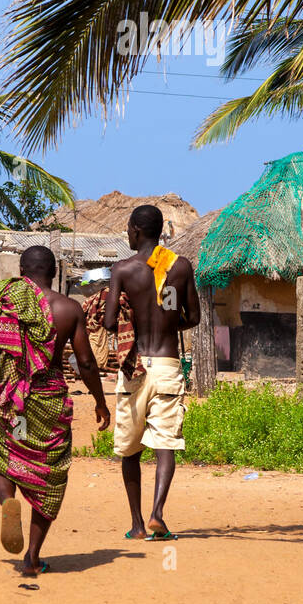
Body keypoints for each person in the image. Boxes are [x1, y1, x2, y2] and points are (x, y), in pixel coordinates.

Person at [0, 245, 110, 575]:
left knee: (5, 459)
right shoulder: (69, 308)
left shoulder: (5, 301)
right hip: (48, 400)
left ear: (22, 270)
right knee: (50, 476)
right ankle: (33, 557)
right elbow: (85, 361)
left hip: (12, 400)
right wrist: (100, 401)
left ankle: (7, 502)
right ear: (53, 272)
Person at [103, 204, 201, 540]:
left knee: (130, 449)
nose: (127, 234)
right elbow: (193, 317)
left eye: (129, 229)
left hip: (136, 368)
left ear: (135, 230)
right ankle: (159, 512)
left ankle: (137, 525)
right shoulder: (181, 267)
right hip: (168, 365)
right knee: (165, 444)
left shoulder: (123, 270)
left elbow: (109, 322)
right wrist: (168, 322)